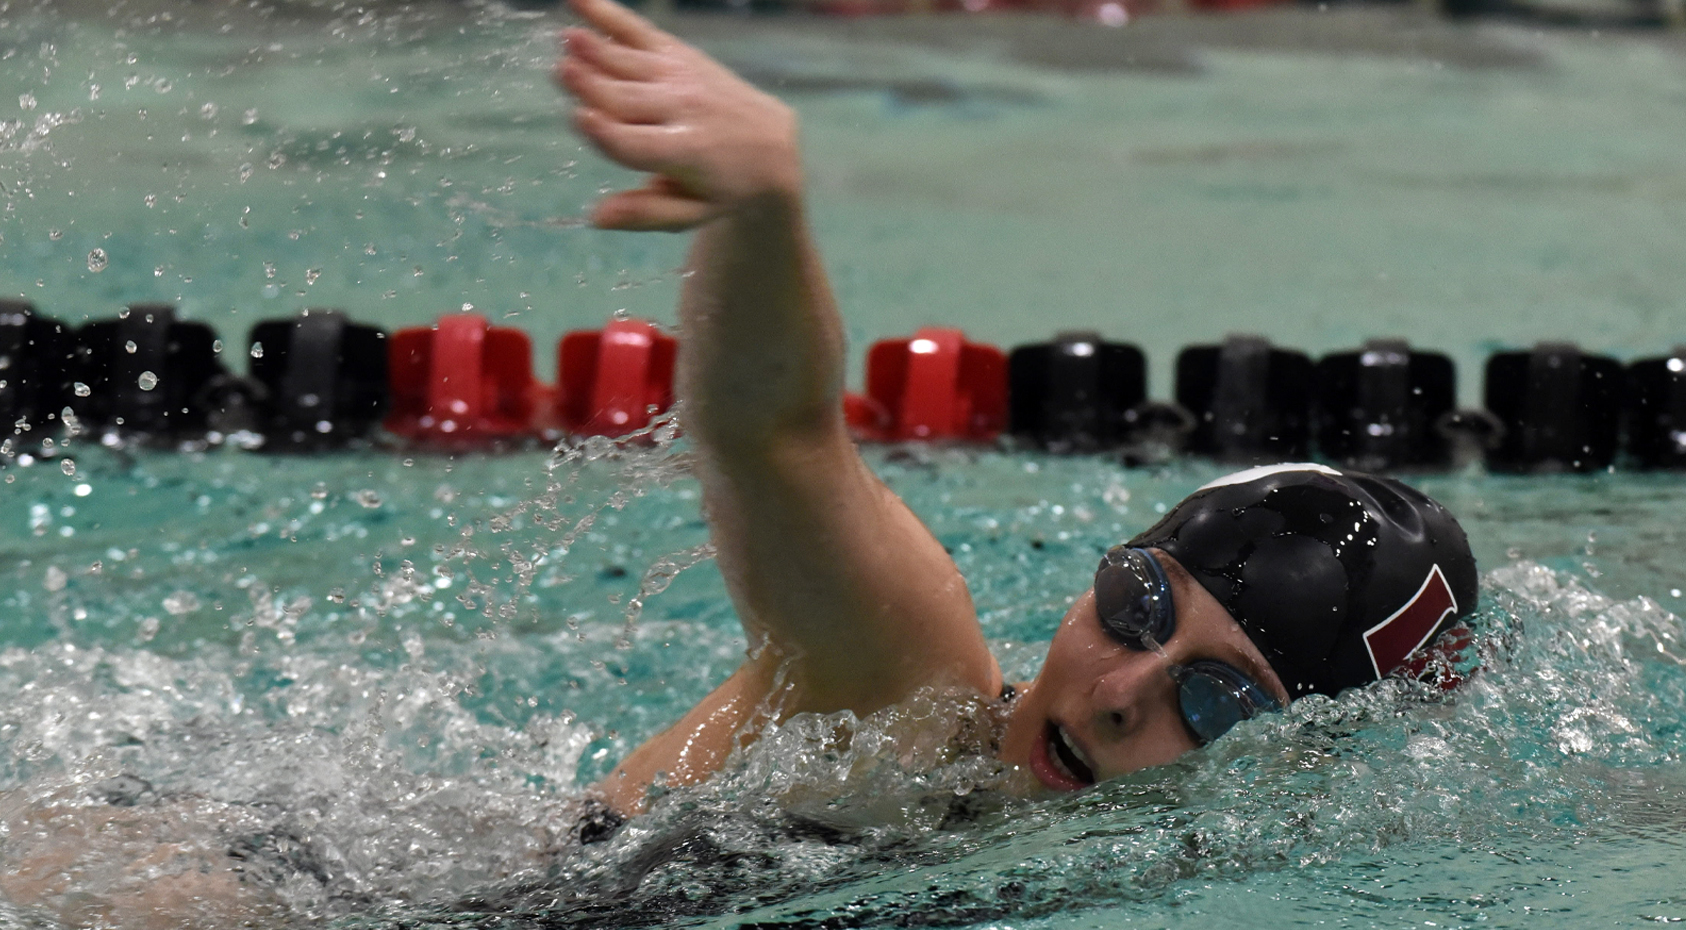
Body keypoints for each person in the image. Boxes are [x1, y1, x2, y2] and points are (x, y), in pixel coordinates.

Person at [557, 0, 1480, 822]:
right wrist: (760, 211)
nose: (1118, 692)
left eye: (1216, 703)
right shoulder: (908, 690)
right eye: (1135, 605)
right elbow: (776, 440)